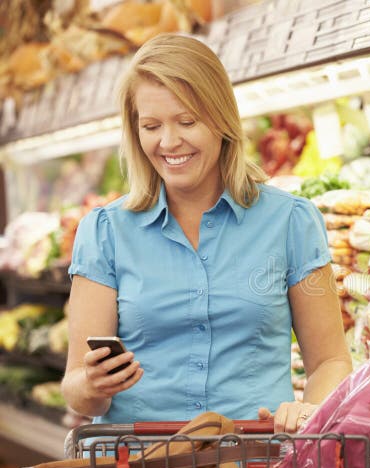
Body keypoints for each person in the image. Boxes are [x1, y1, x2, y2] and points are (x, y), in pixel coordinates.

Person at [61, 33, 352, 433]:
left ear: (221, 119)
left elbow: (330, 361)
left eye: (187, 121)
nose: (168, 142)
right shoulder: (106, 232)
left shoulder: (290, 222)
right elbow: (76, 387)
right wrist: (93, 385)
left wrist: (310, 408)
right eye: (151, 126)